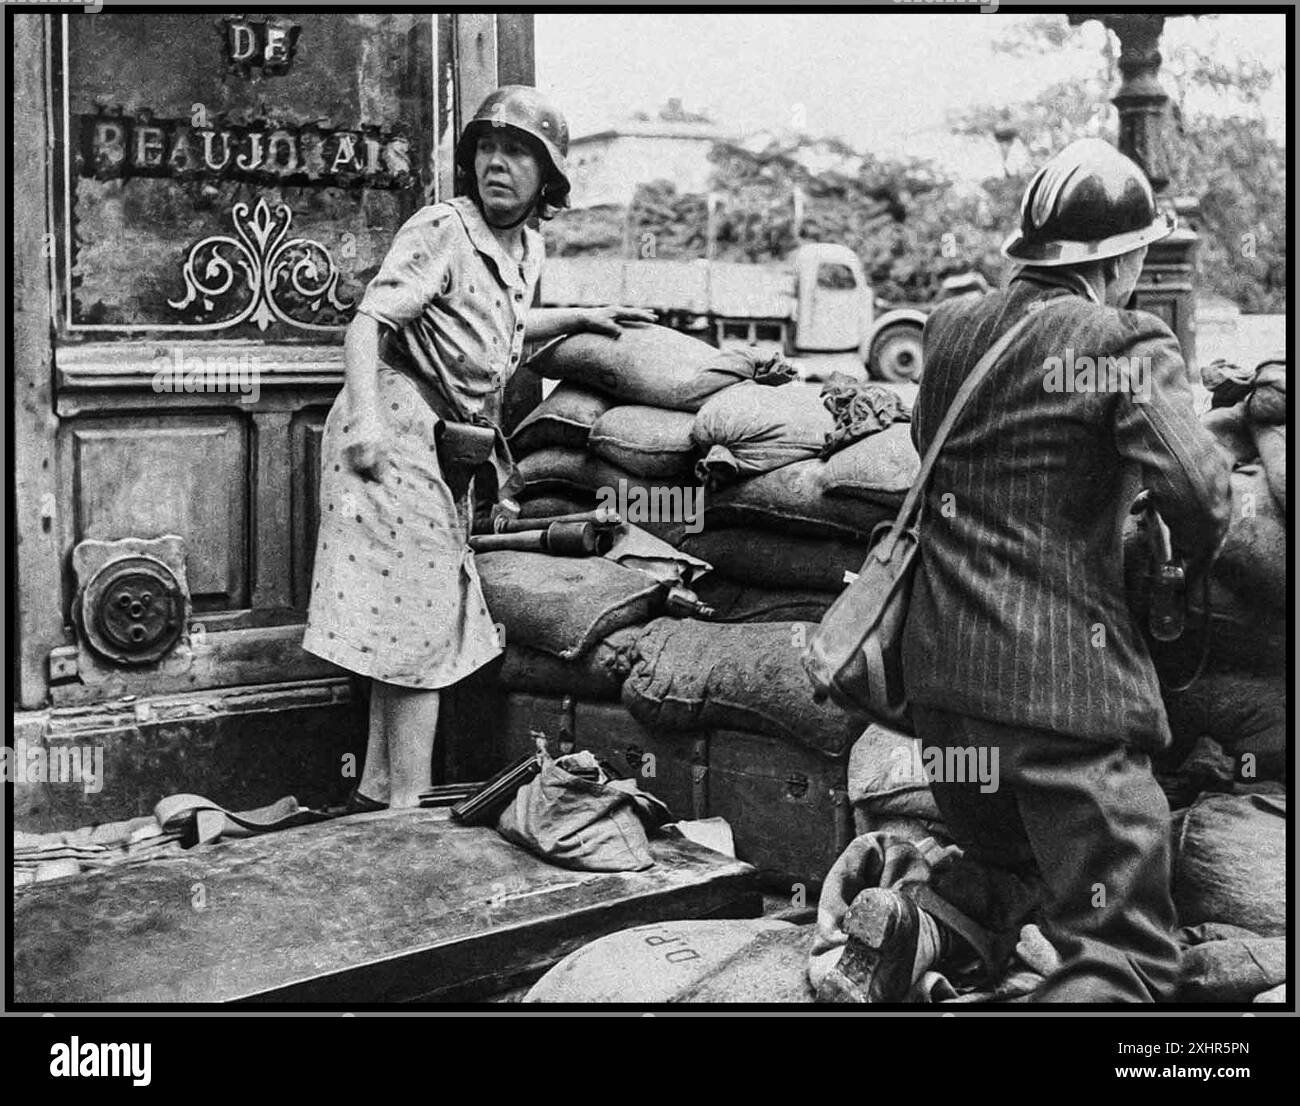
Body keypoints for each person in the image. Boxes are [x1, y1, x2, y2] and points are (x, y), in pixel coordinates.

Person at [822, 139, 1232, 1003]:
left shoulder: (950, 328)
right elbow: (1200, 487)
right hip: (1061, 716)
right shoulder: (1123, 338)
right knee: (1122, 952)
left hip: (944, 704)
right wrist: (1180, 563)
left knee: (1010, 867)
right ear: (1123, 260)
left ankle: (926, 924)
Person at [302, 86, 653, 810]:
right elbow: (368, 323)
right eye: (488, 148)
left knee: (404, 617)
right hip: (392, 427)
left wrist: (581, 315)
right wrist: (366, 422)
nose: (499, 163)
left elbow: (502, 327)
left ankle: (375, 794)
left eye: (518, 151)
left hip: (442, 442)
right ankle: (407, 812)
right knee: (420, 619)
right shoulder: (442, 228)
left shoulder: (527, 248)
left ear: (548, 177)